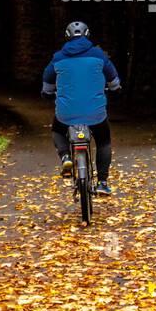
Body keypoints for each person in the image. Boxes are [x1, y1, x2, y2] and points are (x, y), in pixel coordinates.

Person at [42, 20, 120, 196]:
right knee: (103, 140)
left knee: (57, 130)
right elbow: (113, 80)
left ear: (67, 37)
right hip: (95, 113)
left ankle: (65, 157)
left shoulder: (58, 57)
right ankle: (102, 182)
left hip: (66, 114)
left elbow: (47, 81)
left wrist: (47, 93)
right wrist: (115, 89)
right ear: (88, 35)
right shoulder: (99, 55)